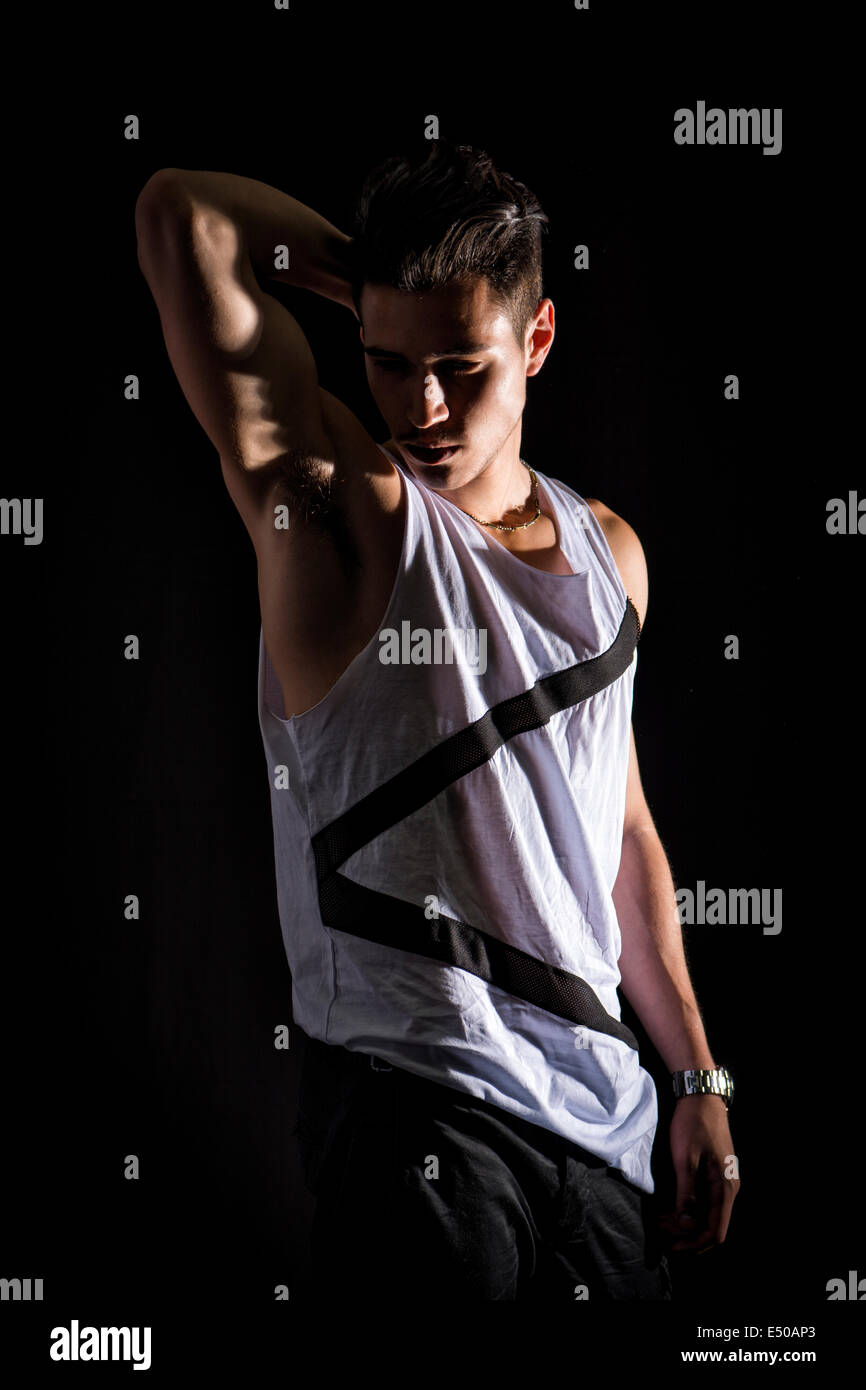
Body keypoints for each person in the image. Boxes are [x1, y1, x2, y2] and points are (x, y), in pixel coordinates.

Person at [134, 139, 740, 1301]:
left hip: (603, 1127)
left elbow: (620, 843)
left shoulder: (611, 558)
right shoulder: (343, 526)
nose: (418, 405)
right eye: (385, 361)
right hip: (418, 1103)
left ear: (537, 341)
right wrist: (357, 276)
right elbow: (182, 216)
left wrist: (698, 1080)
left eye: (460, 365)